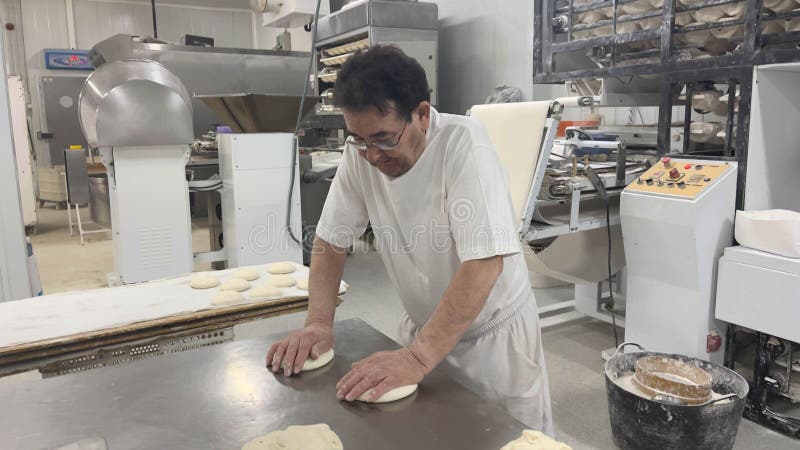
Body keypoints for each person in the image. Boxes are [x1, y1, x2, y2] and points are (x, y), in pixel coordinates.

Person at [266, 45, 553, 434]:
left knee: (503, 438)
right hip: (425, 331)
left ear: (420, 114)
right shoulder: (362, 152)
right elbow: (330, 241)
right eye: (359, 140)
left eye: (384, 139)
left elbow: (484, 264)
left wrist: (418, 358)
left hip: (492, 343)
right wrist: (318, 323)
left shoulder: (464, 145)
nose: (372, 155)